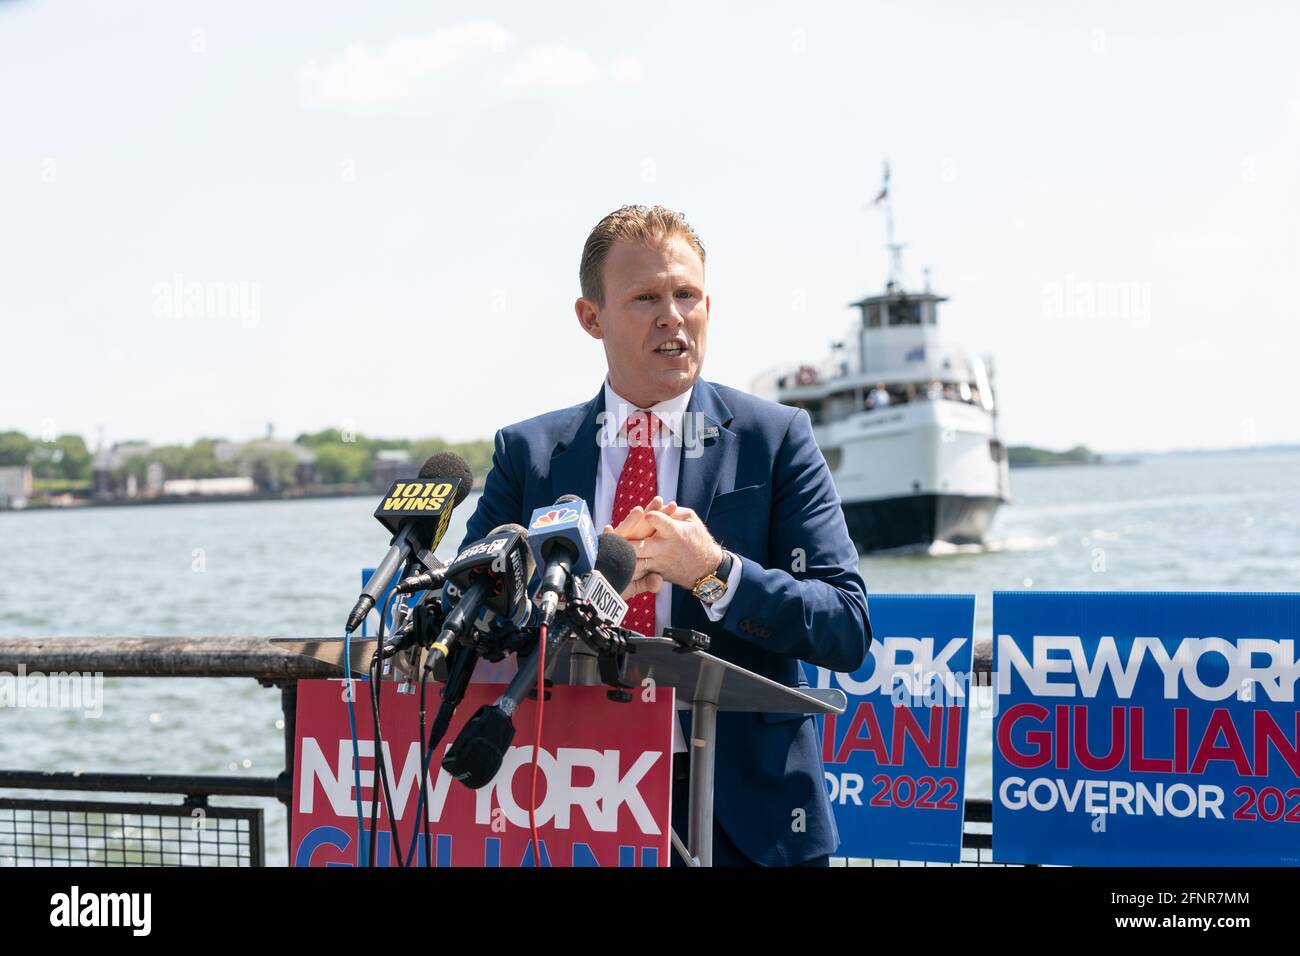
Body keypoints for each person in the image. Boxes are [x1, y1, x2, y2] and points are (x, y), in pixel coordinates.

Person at [460, 204, 871, 866]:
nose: (672, 316)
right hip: (568, 796)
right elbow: (472, 613)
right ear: (591, 318)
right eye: (646, 296)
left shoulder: (777, 440)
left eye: (686, 294)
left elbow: (845, 626)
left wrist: (712, 573)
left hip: (747, 818)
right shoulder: (527, 454)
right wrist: (589, 581)